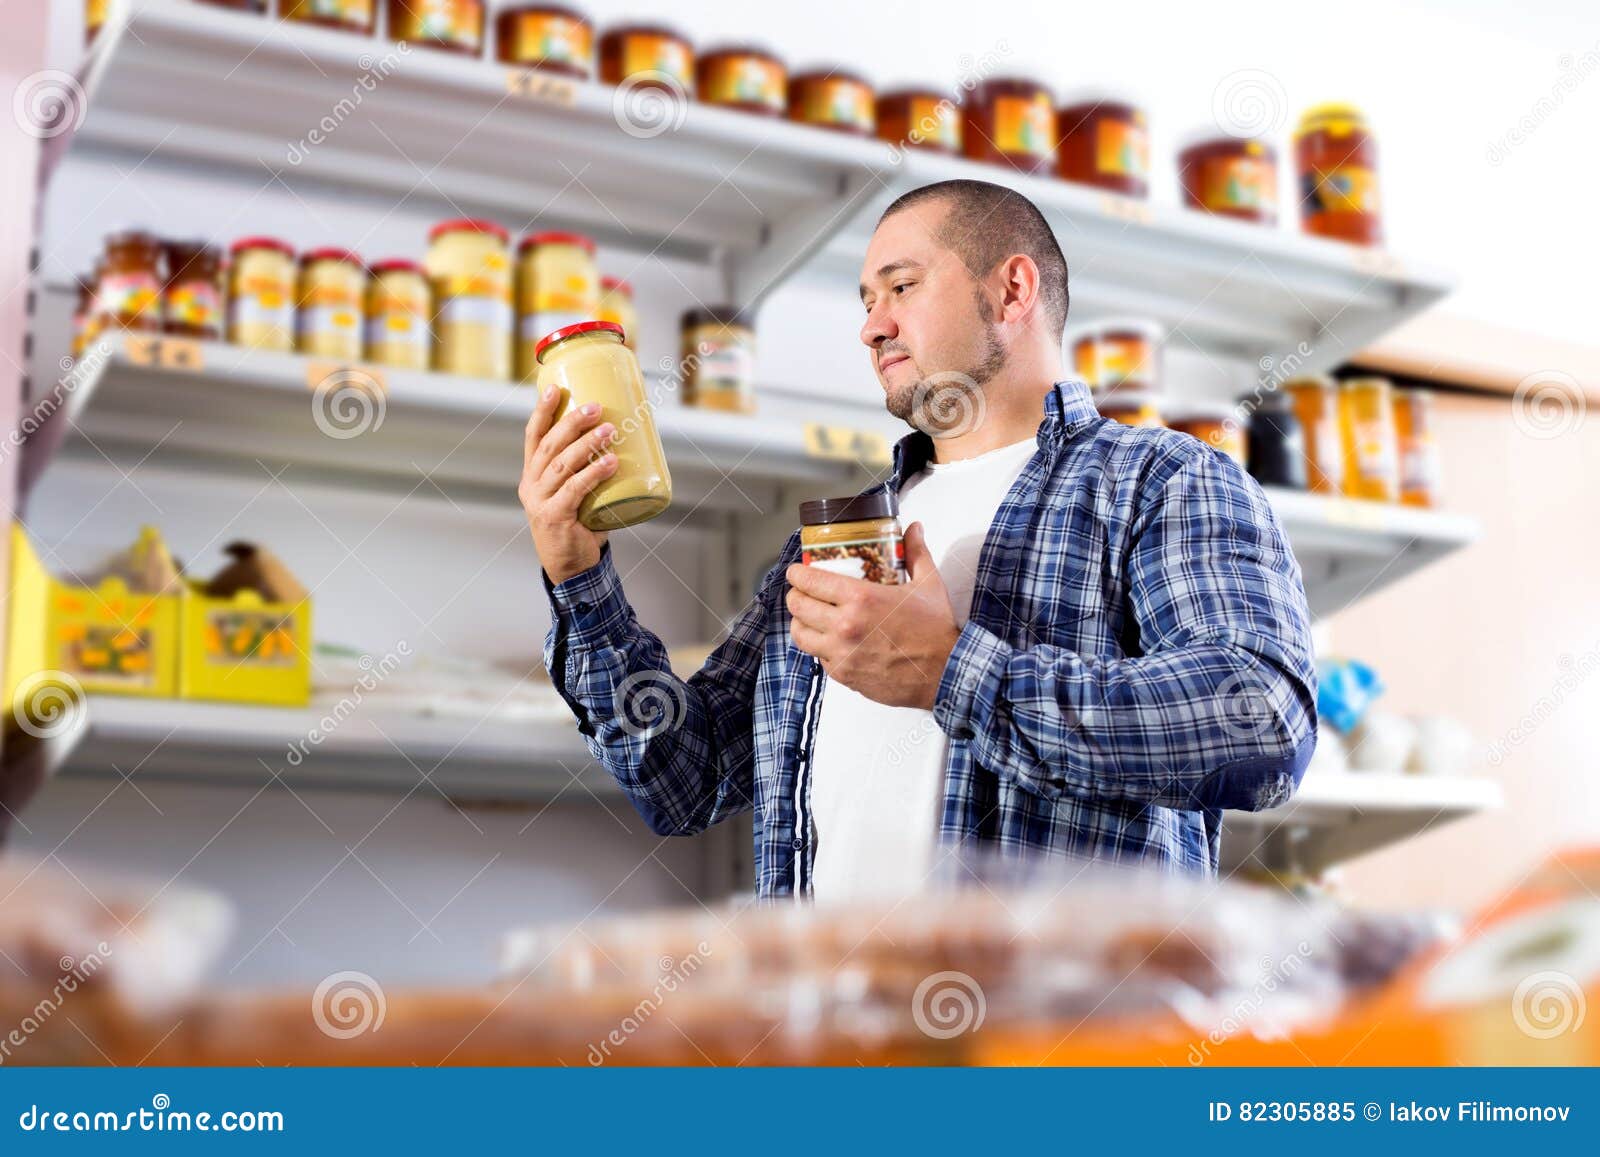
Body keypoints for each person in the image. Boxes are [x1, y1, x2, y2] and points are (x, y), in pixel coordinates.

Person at [520, 178, 1316, 902]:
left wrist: (950, 672)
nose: (872, 326)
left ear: (1011, 289)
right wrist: (577, 573)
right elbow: (683, 780)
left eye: (900, 286)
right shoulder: (837, 539)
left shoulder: (1162, 482)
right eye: (866, 300)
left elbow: (1262, 723)